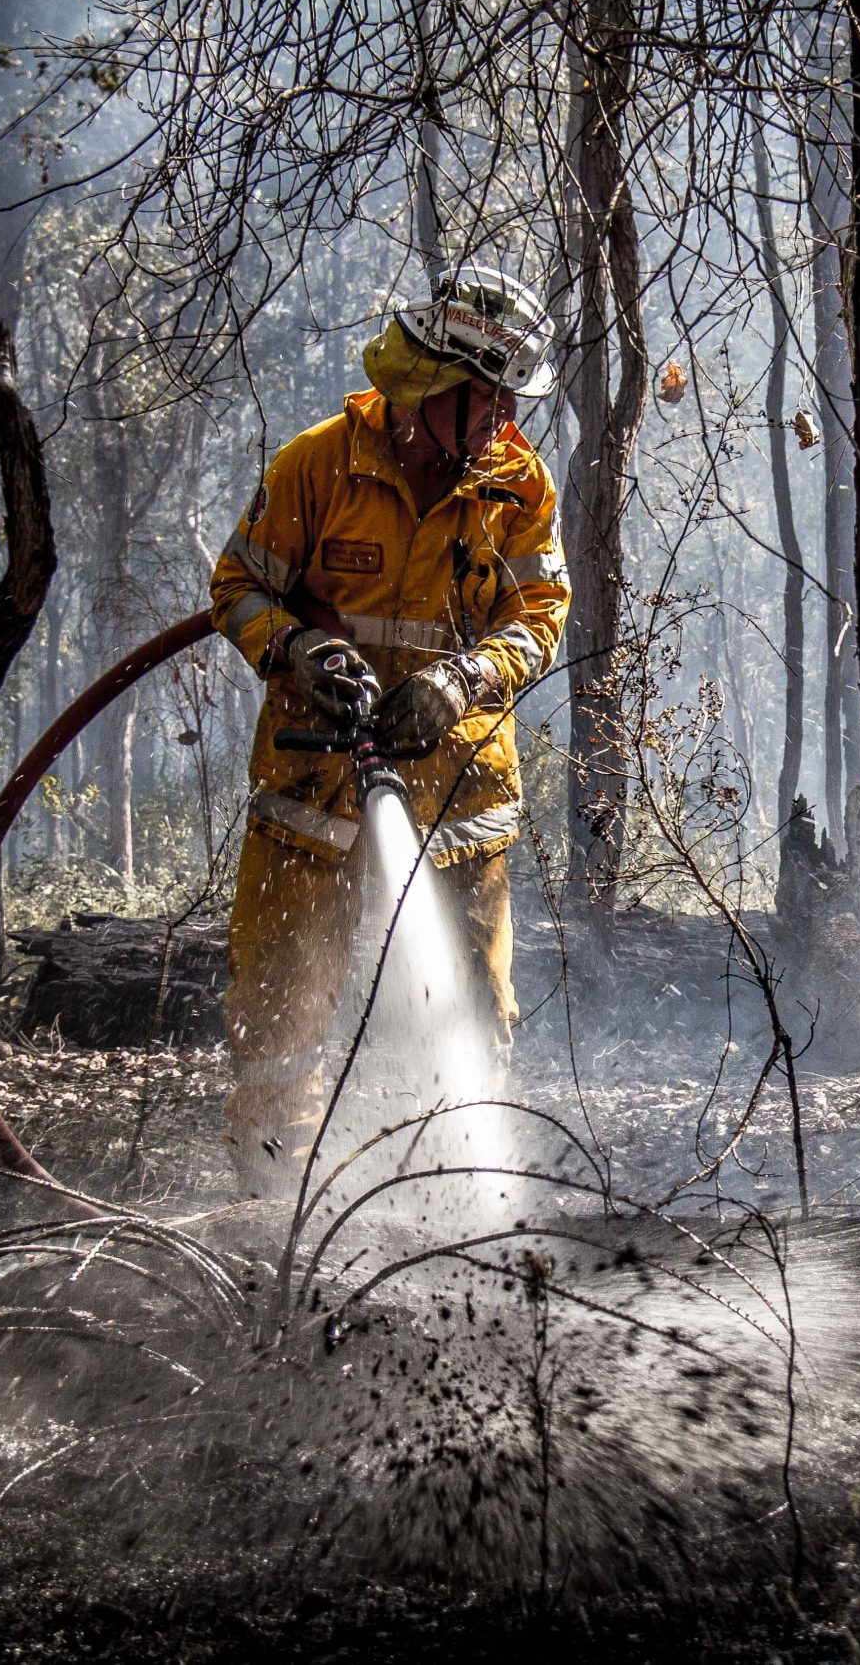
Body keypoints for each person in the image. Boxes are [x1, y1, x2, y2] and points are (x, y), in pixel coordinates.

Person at [207, 264, 569, 1195]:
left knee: (473, 1016)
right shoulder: (317, 465)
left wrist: (464, 679)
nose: (502, 425)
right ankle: (269, 1202)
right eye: (488, 401)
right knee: (277, 1013)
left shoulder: (516, 490)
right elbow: (237, 585)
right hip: (312, 791)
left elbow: (538, 611)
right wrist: (297, 652)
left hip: (457, 793)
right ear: (429, 386)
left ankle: (455, 1208)